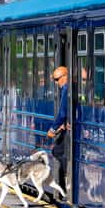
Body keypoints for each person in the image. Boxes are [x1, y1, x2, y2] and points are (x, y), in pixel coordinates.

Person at [46, 65, 70, 196]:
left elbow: (62, 113)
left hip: (71, 128)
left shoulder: (66, 88)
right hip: (68, 126)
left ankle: (67, 178)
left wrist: (53, 129)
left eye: (57, 79)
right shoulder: (67, 88)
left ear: (65, 76)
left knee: (58, 151)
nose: (56, 83)